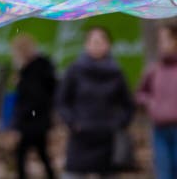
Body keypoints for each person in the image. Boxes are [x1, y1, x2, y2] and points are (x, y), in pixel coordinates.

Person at [57, 26, 134, 178]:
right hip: (81, 136)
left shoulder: (116, 72)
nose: (97, 45)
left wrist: (119, 124)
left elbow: (128, 104)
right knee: (73, 174)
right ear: (86, 44)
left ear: (108, 45)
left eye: (101, 41)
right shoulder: (75, 70)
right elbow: (62, 101)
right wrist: (73, 122)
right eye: (93, 41)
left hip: (107, 137)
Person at [10, 34, 57, 179]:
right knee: (41, 152)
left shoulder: (33, 70)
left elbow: (34, 97)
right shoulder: (40, 67)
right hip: (38, 119)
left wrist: (21, 118)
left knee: (21, 154)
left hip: (32, 120)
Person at [137, 22, 177, 179]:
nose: (161, 44)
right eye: (159, 40)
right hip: (160, 129)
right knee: (164, 173)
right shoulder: (154, 69)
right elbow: (140, 94)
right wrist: (151, 103)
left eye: (165, 39)